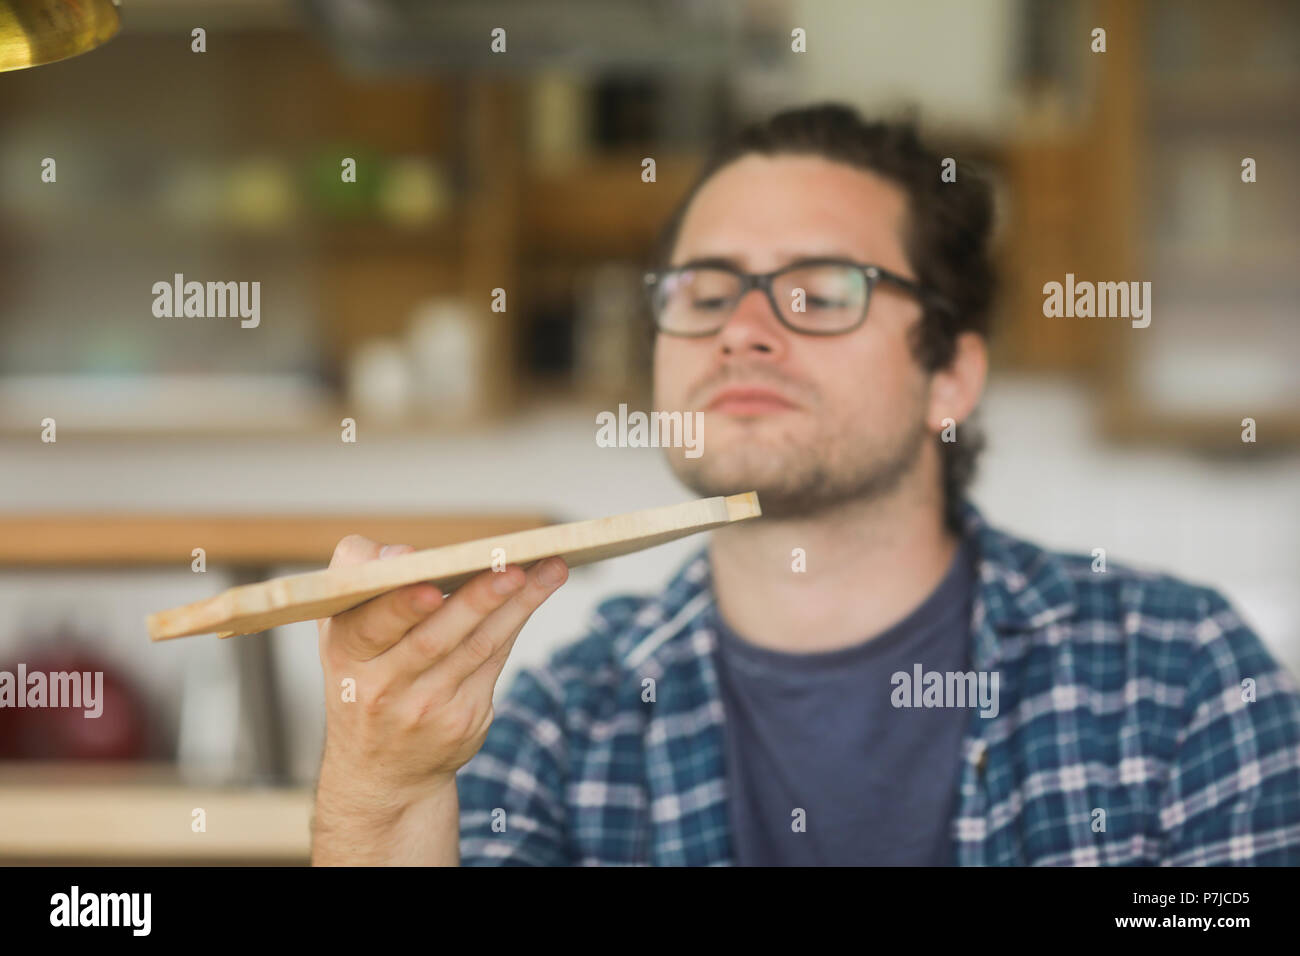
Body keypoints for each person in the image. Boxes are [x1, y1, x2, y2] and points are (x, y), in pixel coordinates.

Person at [310, 104, 1300, 866]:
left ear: (948, 373)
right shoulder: (564, 724)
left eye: (820, 291)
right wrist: (377, 798)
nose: (741, 327)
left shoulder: (1179, 674)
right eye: (702, 292)